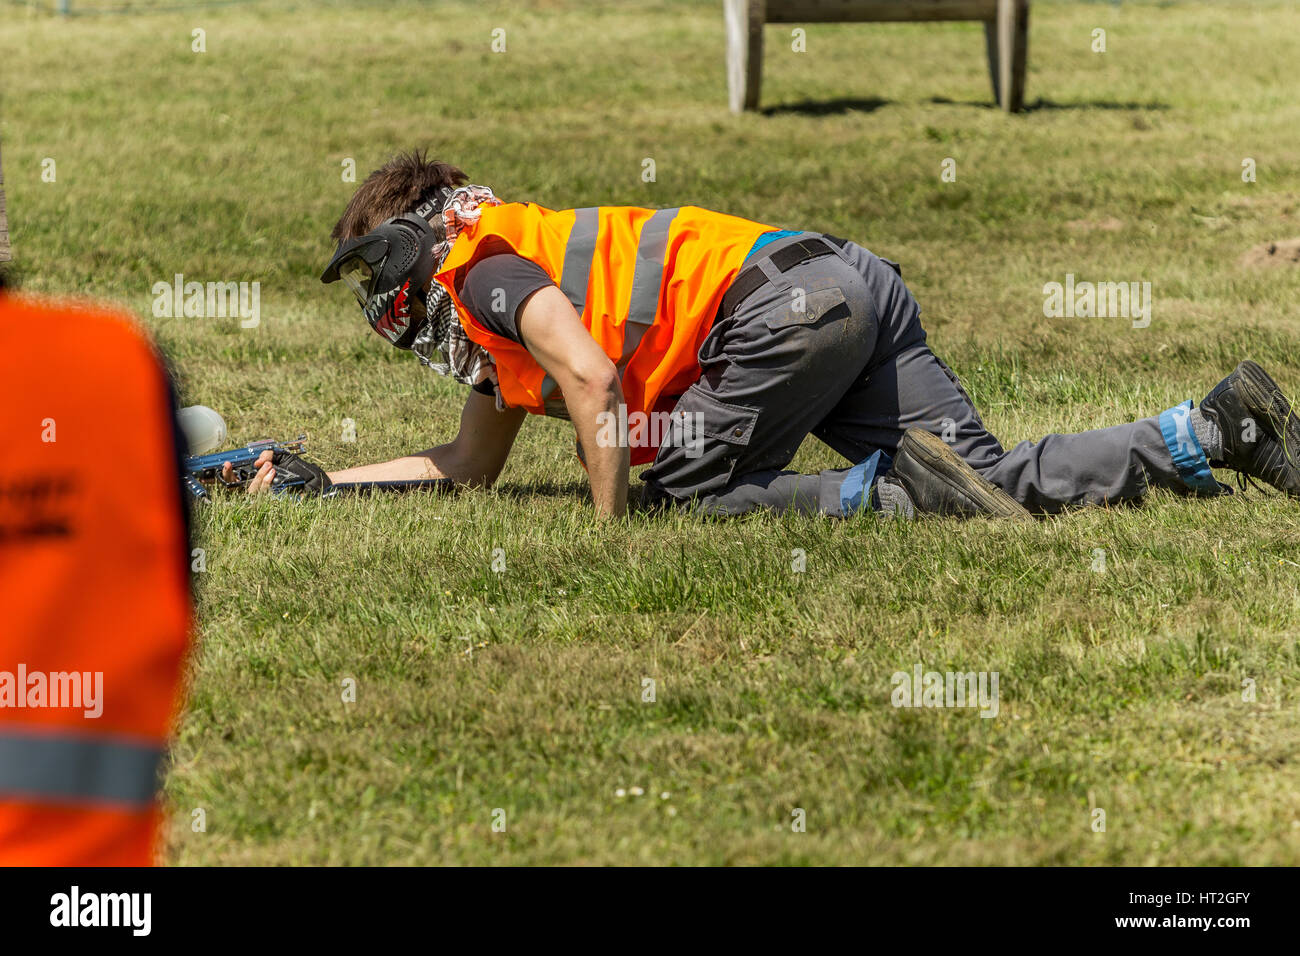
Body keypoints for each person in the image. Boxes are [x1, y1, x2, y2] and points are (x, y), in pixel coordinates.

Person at [254, 150, 1300, 521]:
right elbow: (467, 466)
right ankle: (1207, 434)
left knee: (656, 478)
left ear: (416, 244)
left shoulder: (487, 269)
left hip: (781, 319)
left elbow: (593, 377)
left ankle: (879, 500)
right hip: (846, 286)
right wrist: (324, 481)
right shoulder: (512, 268)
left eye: (380, 276)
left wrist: (614, 529)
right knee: (984, 485)